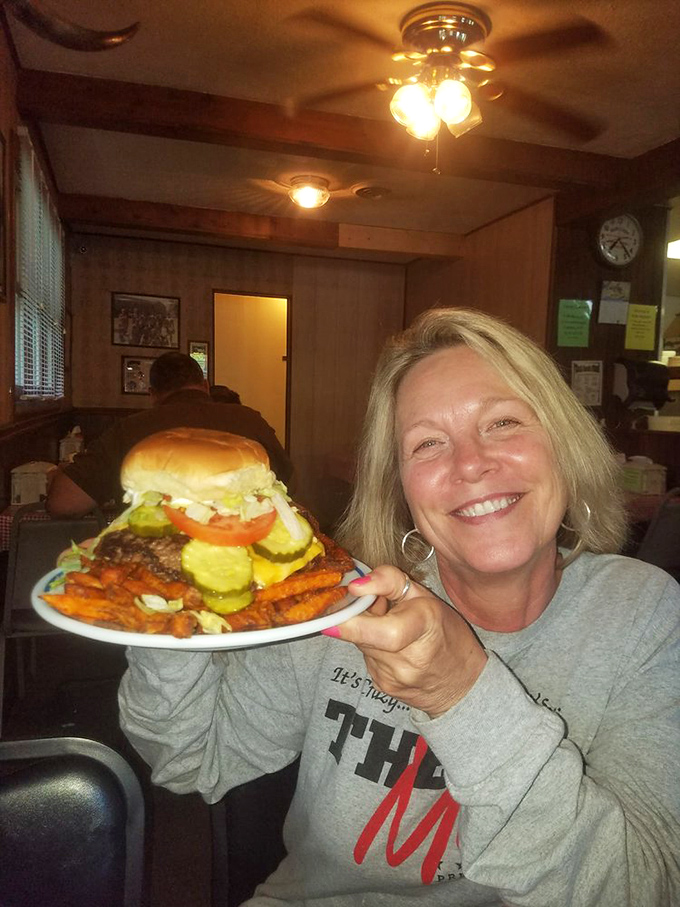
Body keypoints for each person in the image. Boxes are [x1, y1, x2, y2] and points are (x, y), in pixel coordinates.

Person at [118, 309, 679, 906]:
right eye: (428, 443)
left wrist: (461, 692)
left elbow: (643, 888)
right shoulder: (343, 602)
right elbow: (191, 759)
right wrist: (165, 600)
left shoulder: (643, 615)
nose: (470, 463)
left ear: (564, 447)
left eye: (504, 422)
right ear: (402, 489)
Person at [47, 352, 293, 518]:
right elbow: (285, 475)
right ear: (206, 386)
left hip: (149, 567)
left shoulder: (128, 430)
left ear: (152, 394)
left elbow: (63, 502)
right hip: (249, 550)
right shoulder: (249, 418)